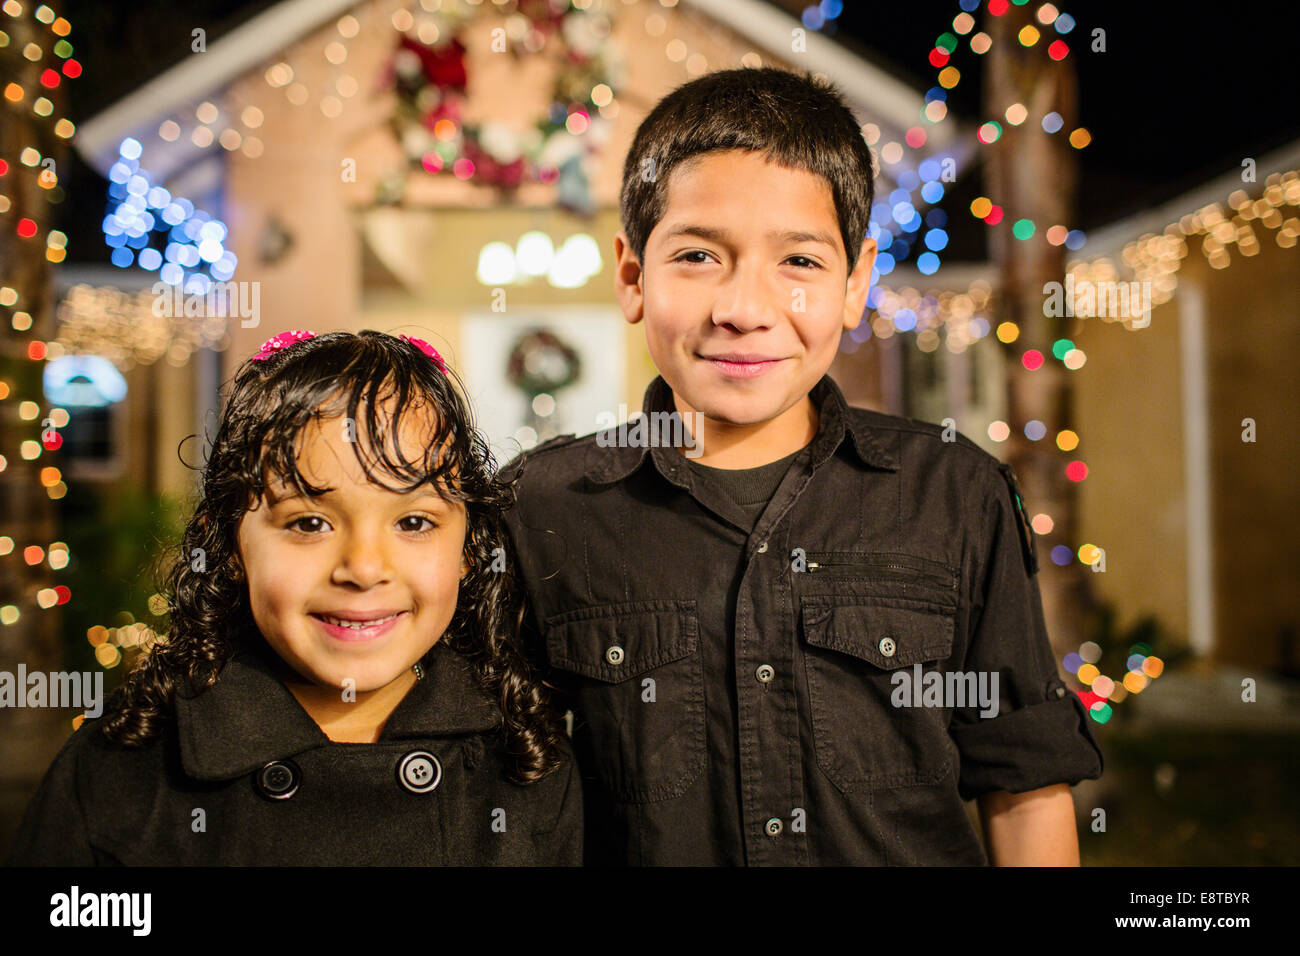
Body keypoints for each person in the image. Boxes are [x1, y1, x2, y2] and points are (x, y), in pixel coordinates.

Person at [501, 67, 1103, 865]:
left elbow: (1024, 786)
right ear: (632, 275)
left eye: (801, 263)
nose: (744, 309)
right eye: (697, 257)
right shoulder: (542, 508)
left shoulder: (956, 495)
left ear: (856, 284)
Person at [7, 330, 580, 866]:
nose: (363, 568)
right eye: (308, 523)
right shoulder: (122, 768)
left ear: (468, 549)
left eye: (412, 521)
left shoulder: (527, 764)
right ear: (231, 542)